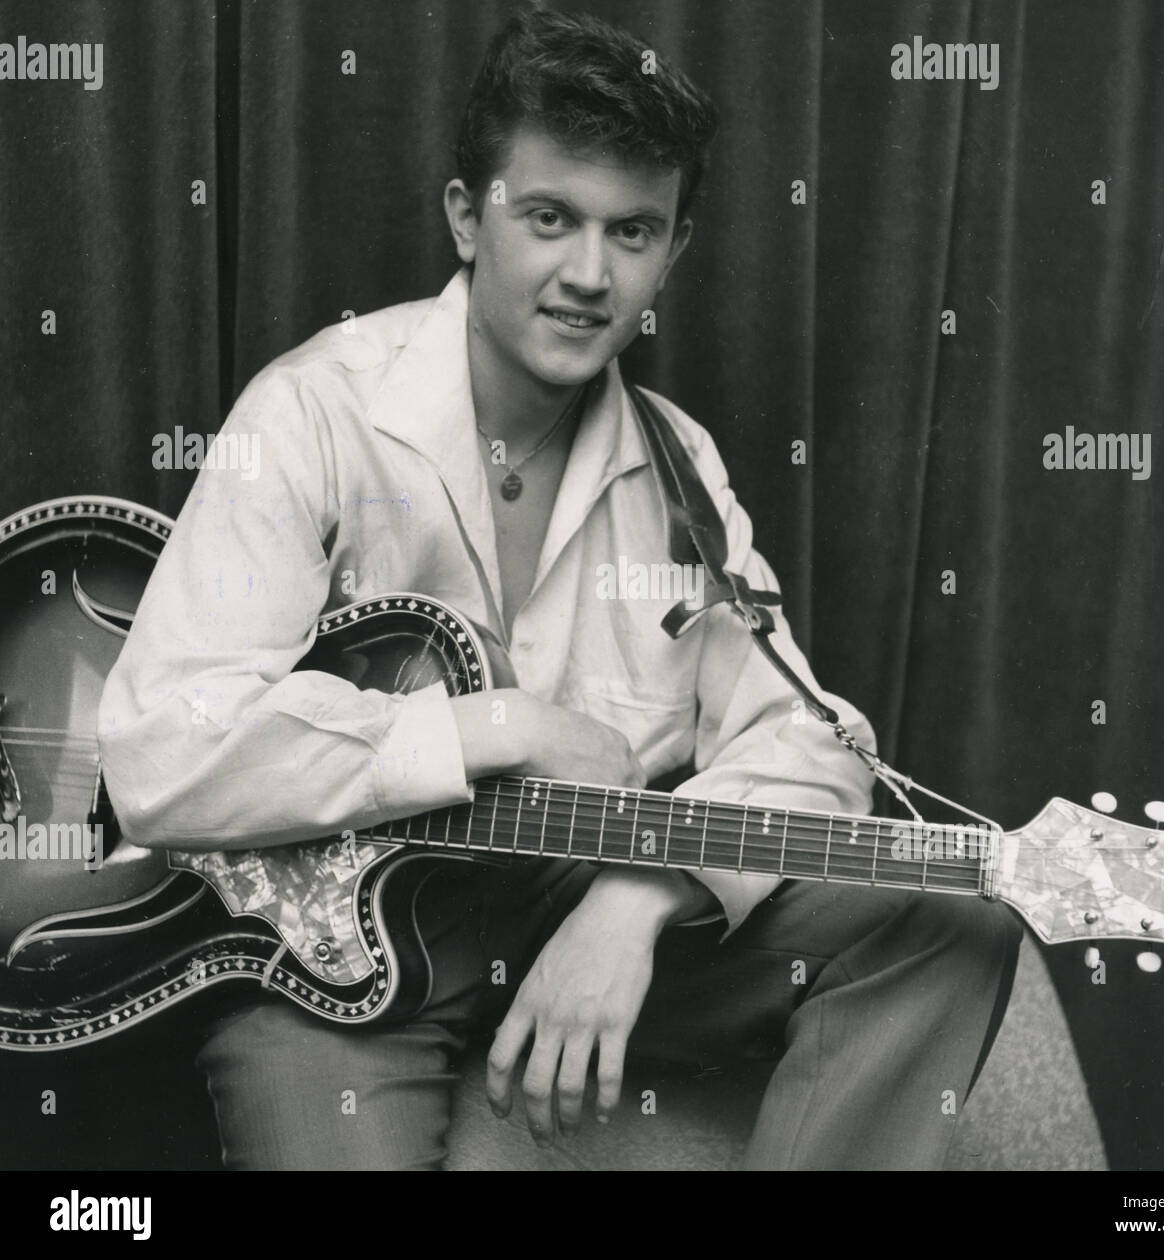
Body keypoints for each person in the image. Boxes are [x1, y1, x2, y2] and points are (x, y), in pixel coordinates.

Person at [98, 7, 1020, 1171]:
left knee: (951, 920)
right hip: (326, 980)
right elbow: (161, 752)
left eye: (632, 231)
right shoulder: (314, 414)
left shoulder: (679, 465)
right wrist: (495, 725)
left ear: (674, 253)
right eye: (549, 218)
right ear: (465, 219)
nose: (589, 275)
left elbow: (811, 737)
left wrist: (640, 896)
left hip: (558, 922)